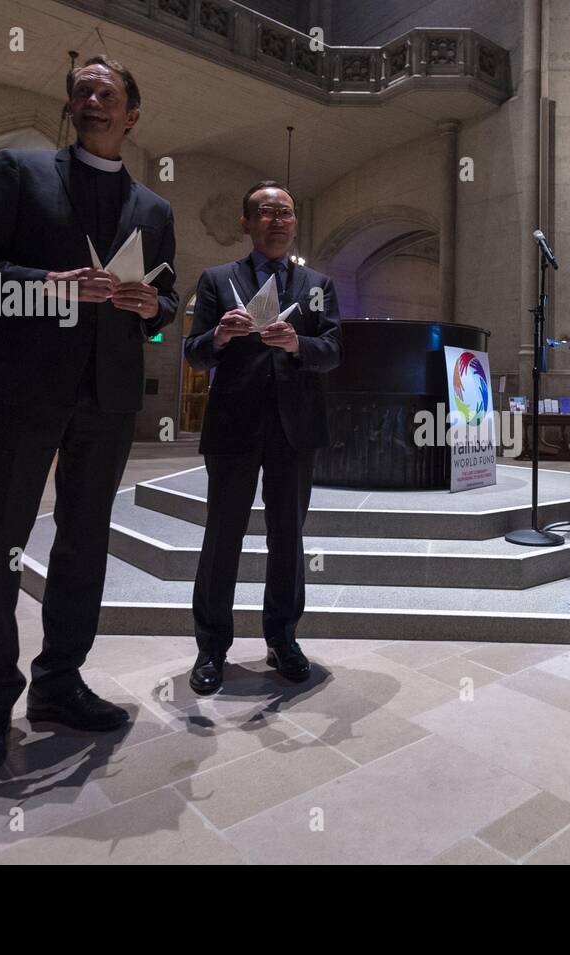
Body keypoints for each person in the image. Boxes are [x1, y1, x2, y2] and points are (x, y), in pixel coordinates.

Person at [0, 56, 178, 782]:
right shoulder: (21, 171)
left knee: (83, 542)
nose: (93, 99)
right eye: (83, 91)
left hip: (105, 397)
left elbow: (165, 306)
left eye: (108, 92)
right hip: (18, 387)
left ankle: (60, 681)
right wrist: (46, 286)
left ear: (133, 114)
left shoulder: (155, 210)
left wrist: (153, 310)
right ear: (72, 108)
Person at [183, 181, 342, 693]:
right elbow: (194, 352)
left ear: (295, 223)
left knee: (287, 537)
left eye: (286, 213)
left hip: (294, 427)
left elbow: (334, 350)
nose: (277, 221)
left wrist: (299, 344)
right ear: (245, 223)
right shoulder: (216, 280)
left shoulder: (316, 283)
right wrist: (220, 336)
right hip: (233, 425)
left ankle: (283, 638)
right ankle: (211, 647)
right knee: (221, 535)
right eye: (266, 212)